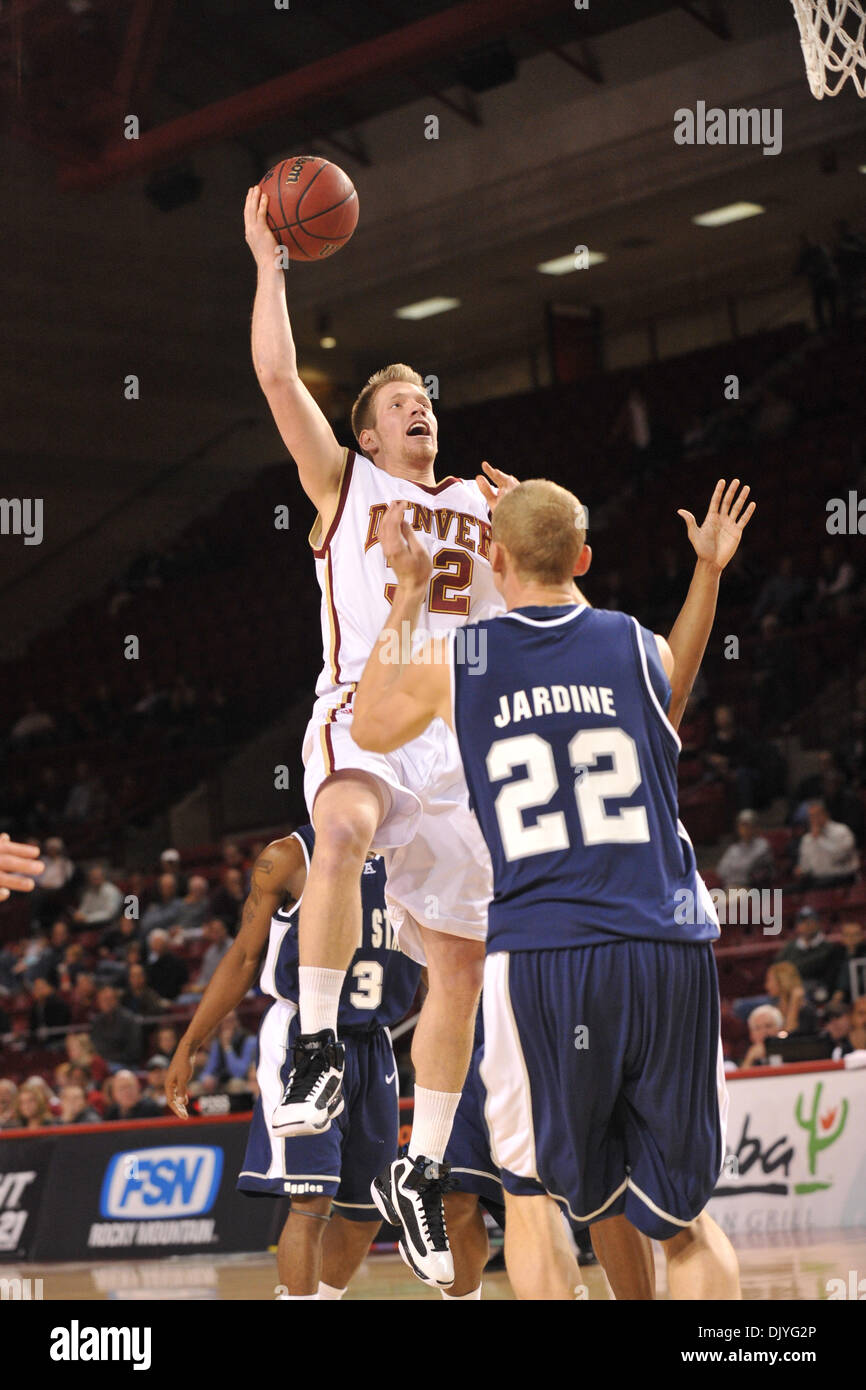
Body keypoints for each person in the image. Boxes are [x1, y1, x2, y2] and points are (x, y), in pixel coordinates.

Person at [352, 476, 753, 1298]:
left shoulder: (460, 659)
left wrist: (410, 591)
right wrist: (706, 573)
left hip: (546, 953)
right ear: (585, 557)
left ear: (493, 558)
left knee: (533, 1199)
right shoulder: (637, 646)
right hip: (669, 940)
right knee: (683, 1221)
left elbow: (367, 724)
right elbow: (666, 694)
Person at [244, 183, 511, 1287]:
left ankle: (426, 1159)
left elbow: (552, 587)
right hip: (369, 711)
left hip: (464, 745)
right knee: (341, 824)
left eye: (426, 401)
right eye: (399, 401)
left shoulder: (486, 502)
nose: (420, 409)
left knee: (456, 966)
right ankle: (311, 1042)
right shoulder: (343, 486)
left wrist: (535, 516)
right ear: (363, 431)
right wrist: (271, 265)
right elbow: (272, 376)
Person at [167, 827, 424, 1300]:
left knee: (368, 1210)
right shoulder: (289, 855)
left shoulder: (418, 850)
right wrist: (190, 1042)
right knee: (310, 1200)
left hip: (375, 1042)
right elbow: (245, 955)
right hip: (303, 1037)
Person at [776, 906, 847, 1001]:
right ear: (797, 926)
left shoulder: (829, 948)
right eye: (802, 922)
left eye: (810, 921)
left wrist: (793, 969)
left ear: (818, 923)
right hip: (788, 992)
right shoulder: (789, 948)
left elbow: (830, 977)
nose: (806, 925)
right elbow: (777, 970)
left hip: (816, 993)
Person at [794, 800, 860, 888]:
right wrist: (801, 870)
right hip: (816, 880)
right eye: (811, 816)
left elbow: (839, 856)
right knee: (778, 893)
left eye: (816, 815)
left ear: (825, 814)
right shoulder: (807, 839)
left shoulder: (842, 831)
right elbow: (805, 866)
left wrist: (819, 840)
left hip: (842, 878)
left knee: (817, 888)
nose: (813, 819)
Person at [715, 810, 773, 891]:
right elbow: (721, 871)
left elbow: (748, 867)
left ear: (755, 827)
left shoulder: (762, 845)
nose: (745, 829)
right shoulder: (733, 848)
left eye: (748, 825)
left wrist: (735, 871)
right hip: (730, 887)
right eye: (742, 826)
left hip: (753, 889)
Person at [89, 984, 142, 1068]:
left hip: (125, 1064)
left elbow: (134, 1050)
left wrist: (110, 1059)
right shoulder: (96, 1021)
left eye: (109, 999)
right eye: (103, 1000)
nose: (107, 1003)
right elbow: (95, 1044)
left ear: (116, 1000)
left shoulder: (129, 1019)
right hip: (104, 1063)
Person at [0, 833, 44, 902]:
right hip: (13, 890)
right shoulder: (12, 859)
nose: (30, 847)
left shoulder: (41, 862)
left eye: (33, 846)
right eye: (28, 845)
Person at [831, 920, 866, 1005]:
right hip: (843, 1000)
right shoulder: (835, 954)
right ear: (842, 937)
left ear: (862, 936)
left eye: (855, 935)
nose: (851, 938)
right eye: (847, 935)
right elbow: (829, 978)